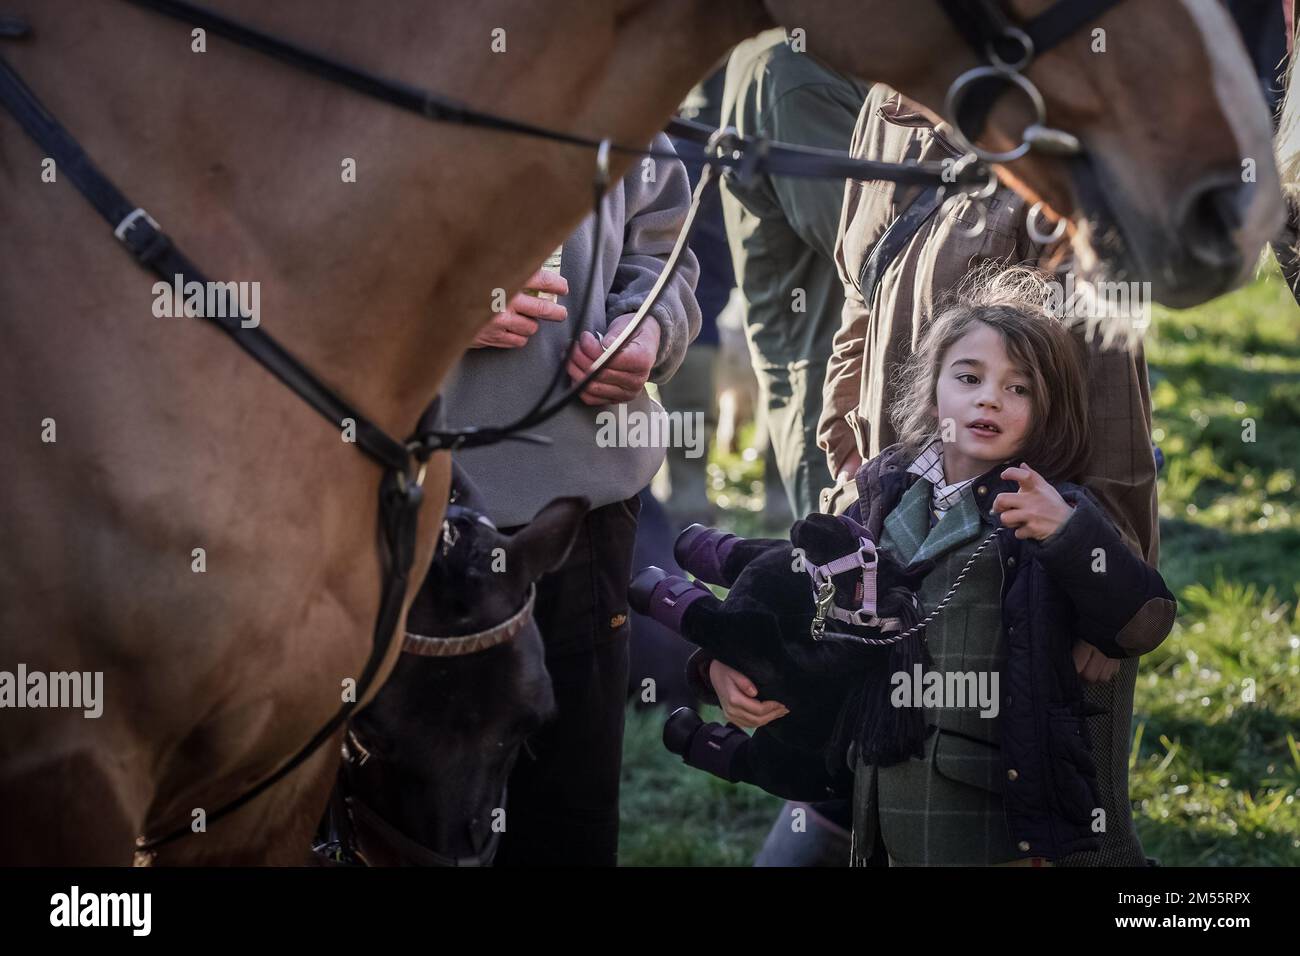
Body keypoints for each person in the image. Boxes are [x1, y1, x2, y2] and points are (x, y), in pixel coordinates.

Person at [444, 133, 701, 866]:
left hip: (583, 506)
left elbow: (664, 242)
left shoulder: (612, 57)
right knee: (411, 810)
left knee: (568, 805)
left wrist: (647, 324)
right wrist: (438, 310)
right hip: (396, 499)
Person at [719, 28, 870, 518]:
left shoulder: (822, 55)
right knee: (839, 571)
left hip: (863, 358)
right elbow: (870, 245)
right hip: (833, 369)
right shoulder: (796, 70)